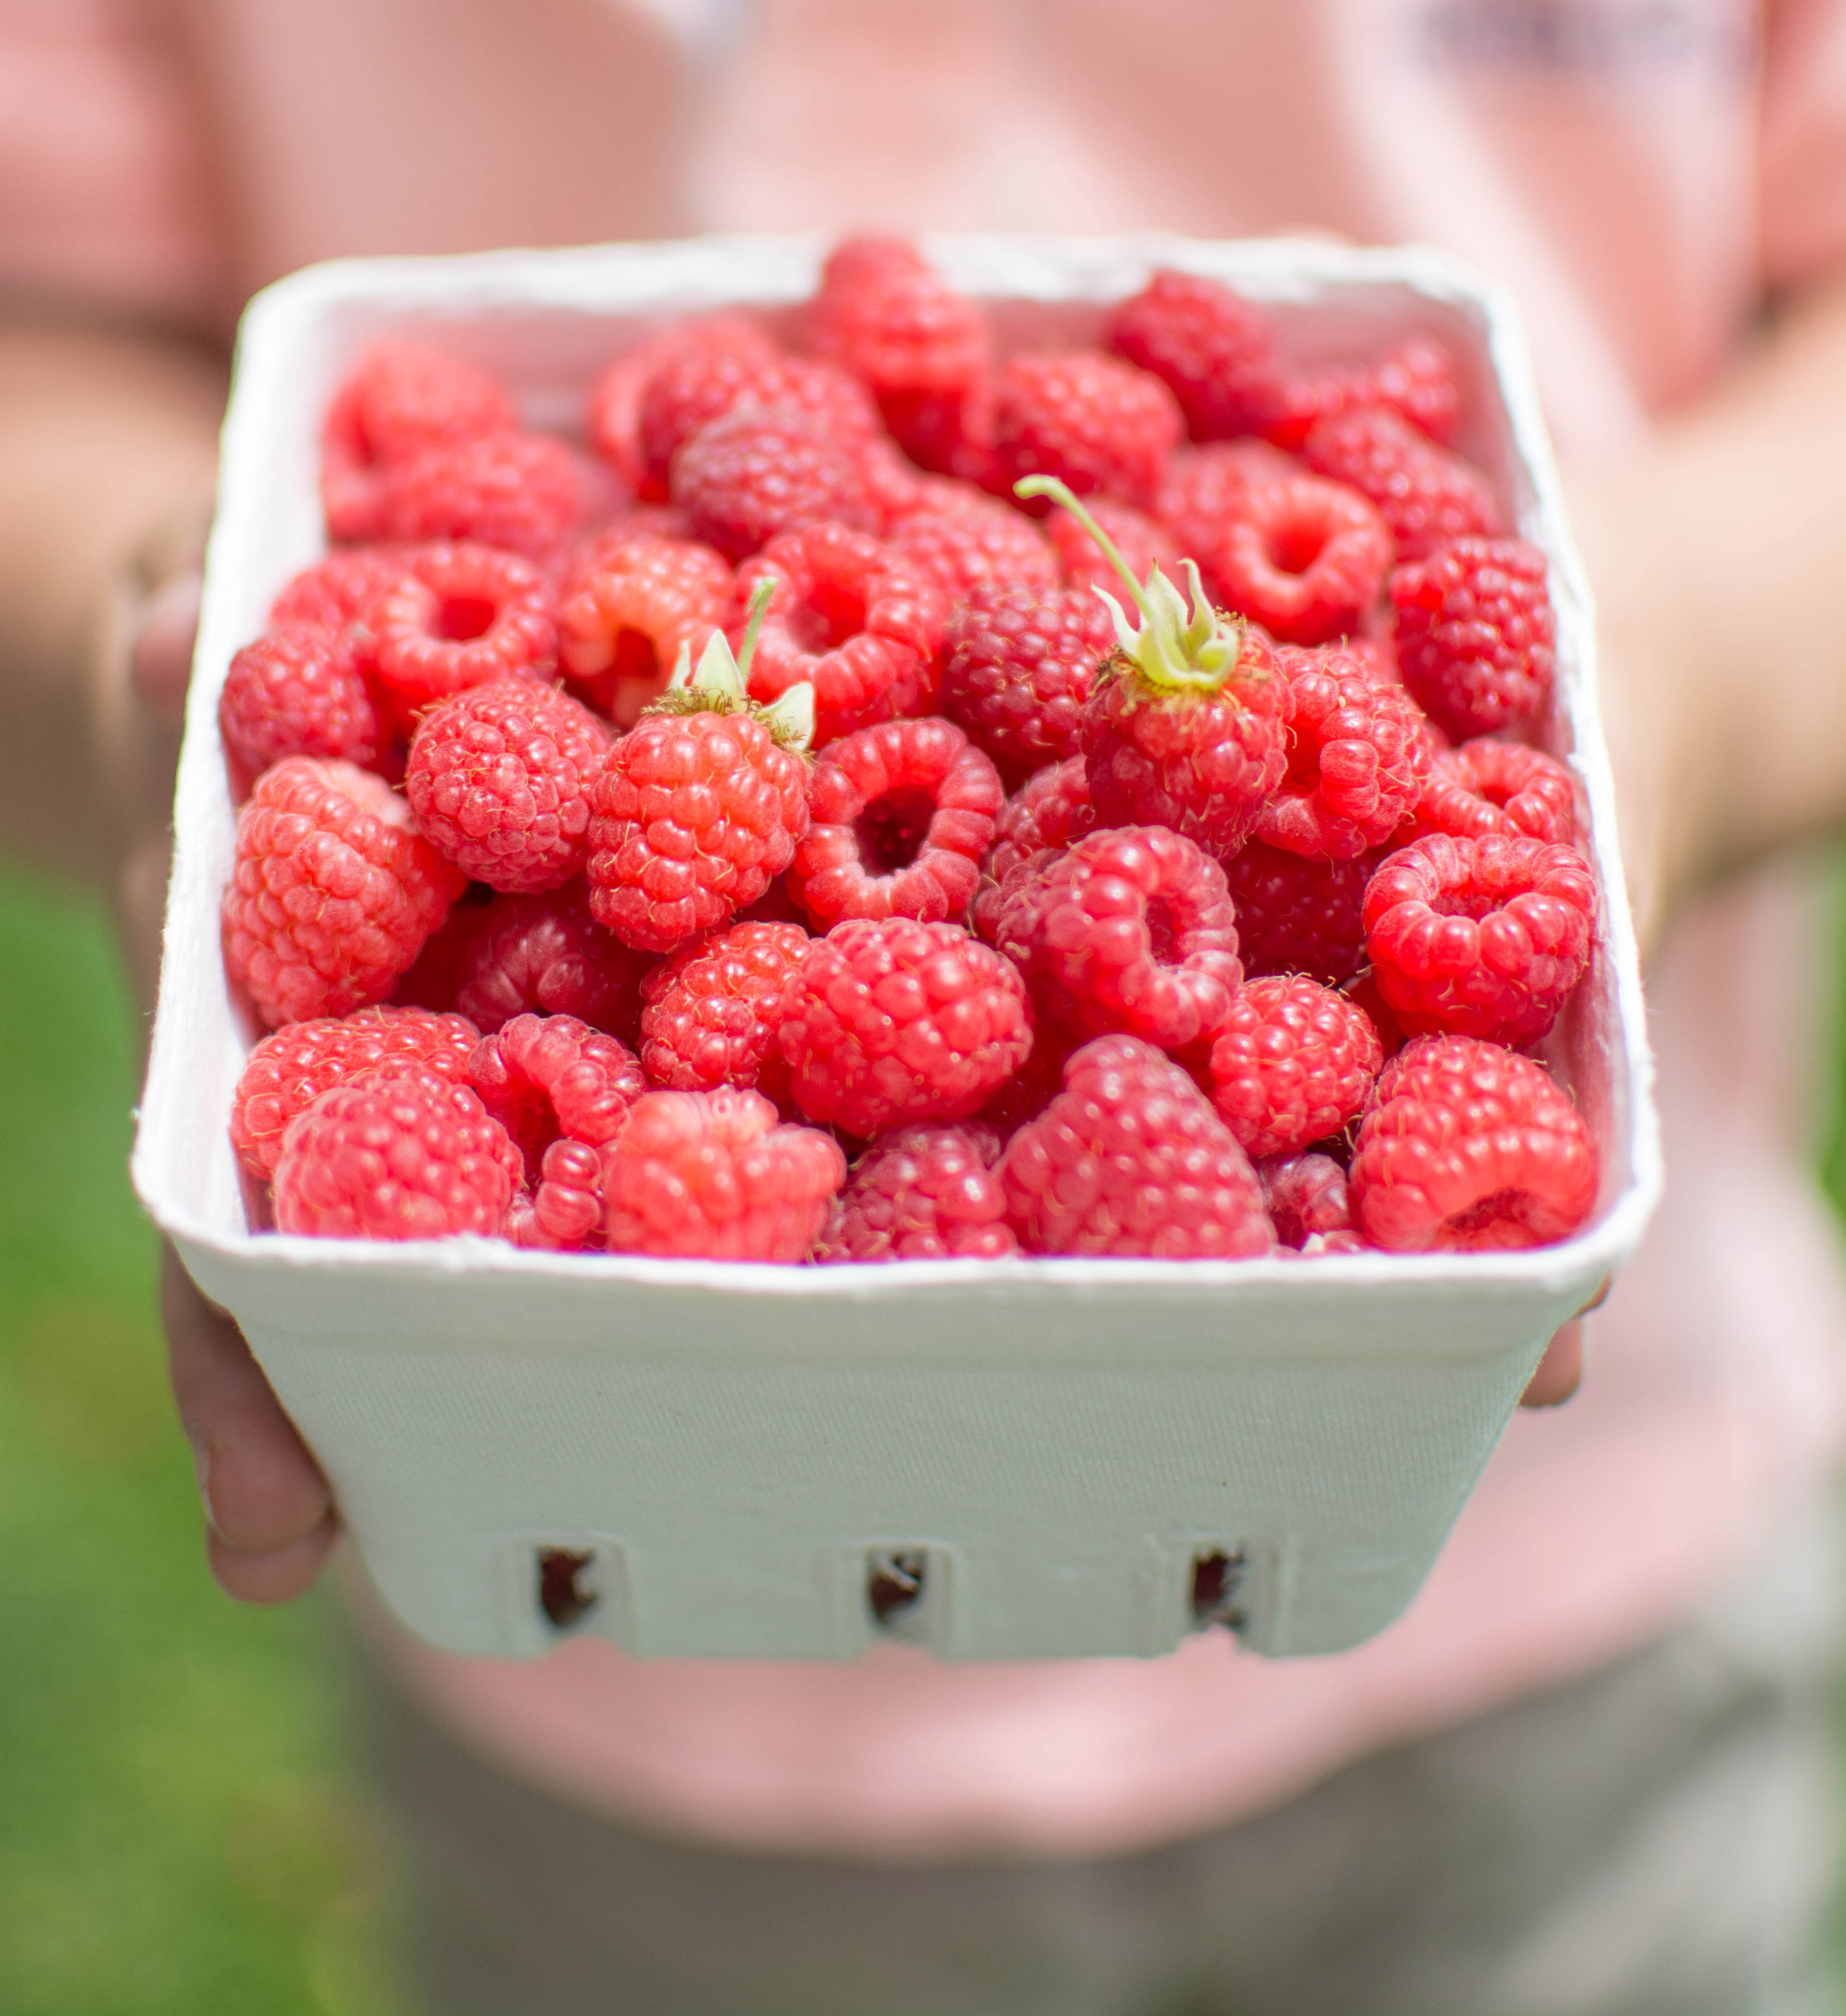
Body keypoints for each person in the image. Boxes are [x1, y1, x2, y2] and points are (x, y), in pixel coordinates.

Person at [6, 2, 1846, 2008]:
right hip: (608, 1611)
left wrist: (1671, 670)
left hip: (1559, 1582)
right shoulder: (708, 775)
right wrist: (154, 679)